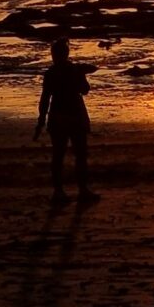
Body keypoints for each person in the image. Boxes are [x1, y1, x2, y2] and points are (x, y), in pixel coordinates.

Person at [34, 38, 99, 206]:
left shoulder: (50, 73)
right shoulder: (74, 70)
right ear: (66, 53)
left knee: (58, 156)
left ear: (54, 55)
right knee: (80, 155)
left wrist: (41, 120)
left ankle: (59, 191)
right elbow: (85, 90)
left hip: (58, 116)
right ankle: (83, 190)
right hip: (75, 115)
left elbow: (45, 99)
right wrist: (82, 75)